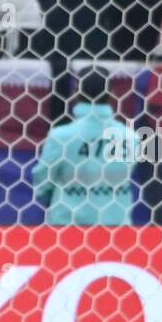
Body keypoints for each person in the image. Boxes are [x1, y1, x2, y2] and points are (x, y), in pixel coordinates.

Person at [33, 71, 138, 226]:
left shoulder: (61, 136)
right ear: (112, 94)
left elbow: (43, 180)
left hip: (68, 226)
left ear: (76, 94)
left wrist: (56, 200)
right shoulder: (131, 137)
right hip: (117, 225)